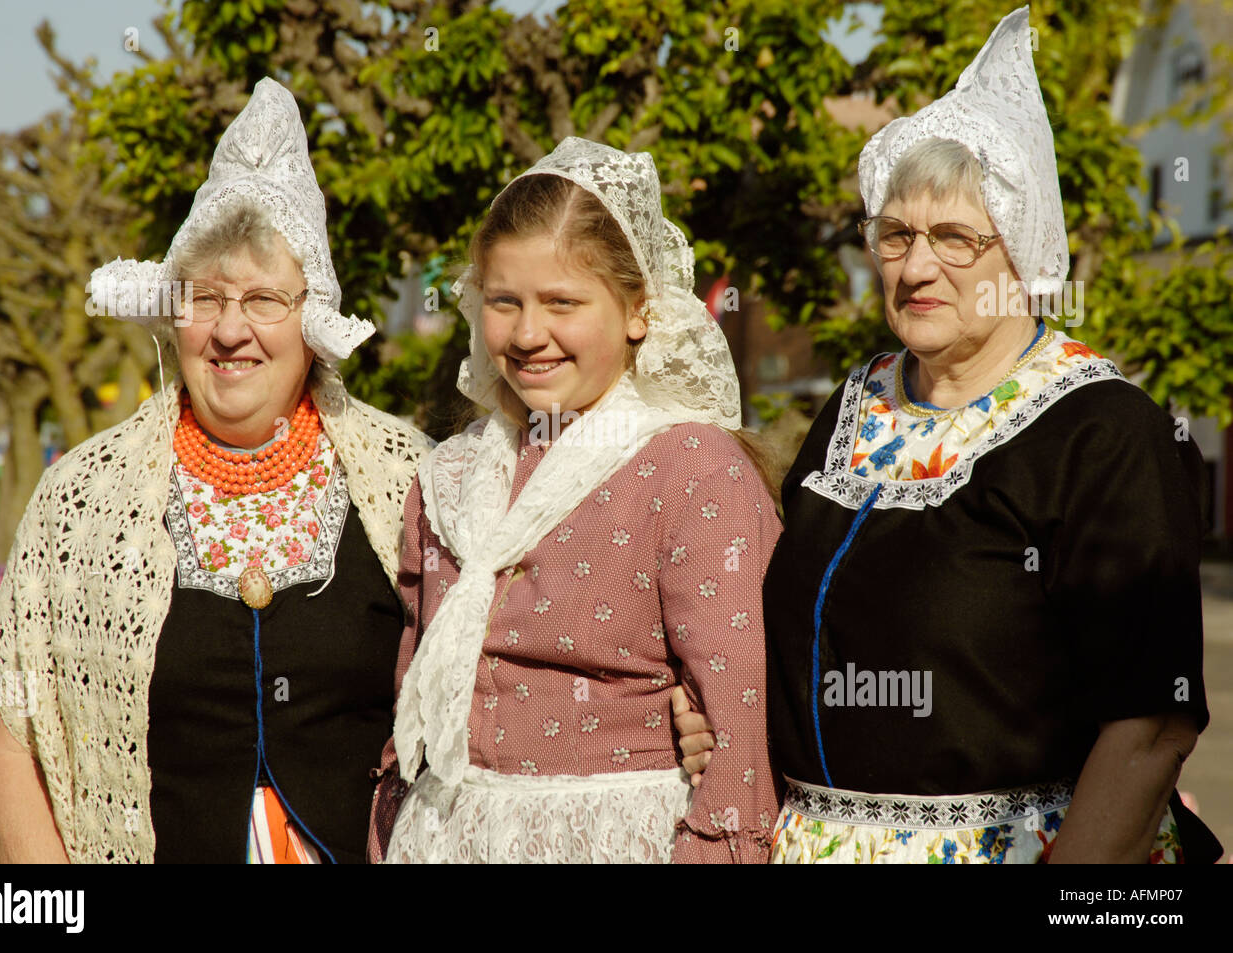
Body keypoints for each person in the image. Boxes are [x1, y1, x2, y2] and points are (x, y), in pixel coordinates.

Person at [759, 6, 1221, 863]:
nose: (916, 265)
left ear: (1024, 250)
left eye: (955, 238)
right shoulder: (852, 404)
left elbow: (1151, 722)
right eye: (894, 234)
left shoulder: (1101, 428)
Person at [0, 78, 429, 863]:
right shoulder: (82, 499)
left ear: (312, 316)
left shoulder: (412, 478)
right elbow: (15, 738)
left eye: (262, 299)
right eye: (204, 297)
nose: (229, 330)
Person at [369, 137, 782, 863]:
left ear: (636, 310)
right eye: (506, 302)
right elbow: (415, 693)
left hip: (616, 839)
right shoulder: (451, 476)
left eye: (563, 302)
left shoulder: (689, 467)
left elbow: (741, 712)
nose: (530, 334)